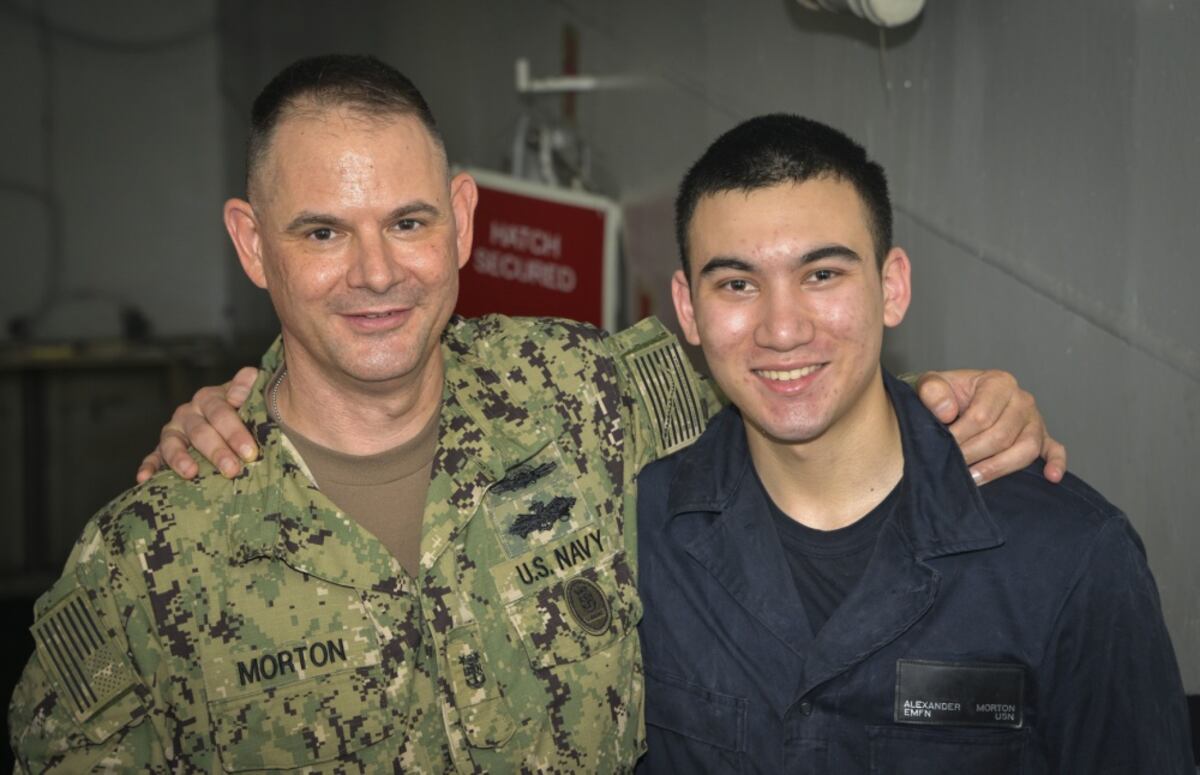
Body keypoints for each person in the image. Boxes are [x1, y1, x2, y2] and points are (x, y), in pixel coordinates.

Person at [8, 55, 1062, 772]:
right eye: (322, 232)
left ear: (464, 219)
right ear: (251, 243)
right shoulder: (152, 562)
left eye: (409, 220)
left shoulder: (587, 399)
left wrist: (958, 402)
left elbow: (787, 358)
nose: (376, 273)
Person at [635, 113, 1192, 773]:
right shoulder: (636, 532)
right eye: (737, 284)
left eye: (822, 275)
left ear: (892, 286)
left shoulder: (1070, 558)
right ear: (689, 309)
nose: (782, 329)